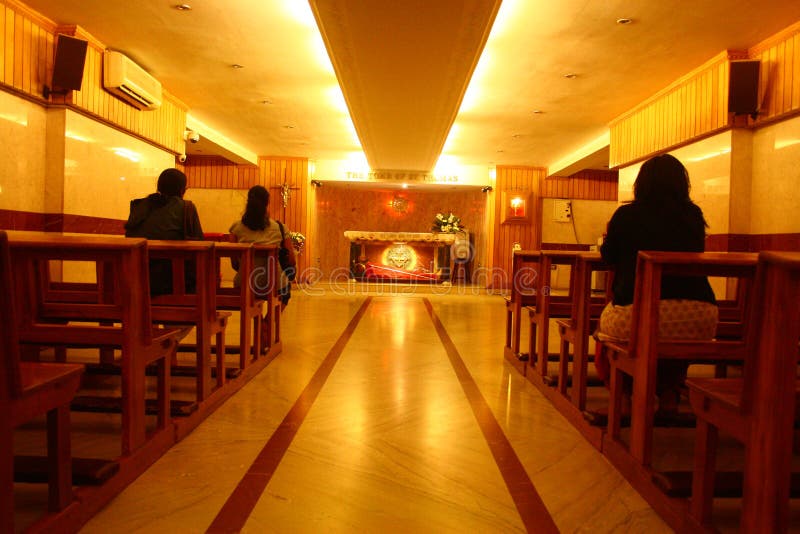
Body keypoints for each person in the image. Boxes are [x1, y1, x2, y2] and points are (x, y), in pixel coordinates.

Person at [596, 154, 718, 414]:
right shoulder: (693, 215)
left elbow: (609, 257)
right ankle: (669, 390)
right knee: (674, 332)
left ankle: (624, 393)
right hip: (699, 316)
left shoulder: (626, 215)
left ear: (641, 183)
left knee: (606, 328)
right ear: (682, 183)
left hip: (638, 311)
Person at [124, 168, 204, 296]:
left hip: (134, 278)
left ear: (158, 187)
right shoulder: (186, 207)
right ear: (182, 190)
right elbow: (200, 244)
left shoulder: (138, 206)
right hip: (170, 282)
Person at [228, 185, 296, 309]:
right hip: (275, 285)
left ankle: (259, 318)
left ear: (248, 201)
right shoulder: (280, 228)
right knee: (285, 294)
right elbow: (291, 260)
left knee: (251, 293)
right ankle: (269, 319)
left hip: (244, 284)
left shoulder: (236, 229)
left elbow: (234, 263)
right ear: (267, 203)